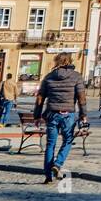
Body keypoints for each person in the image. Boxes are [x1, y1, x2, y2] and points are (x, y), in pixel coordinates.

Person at [34, 53, 88, 184]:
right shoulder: (76, 76)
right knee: (68, 140)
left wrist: (37, 116)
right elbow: (81, 97)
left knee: (50, 144)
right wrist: (83, 114)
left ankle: (48, 176)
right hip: (68, 114)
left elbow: (40, 98)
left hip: (52, 113)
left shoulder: (49, 77)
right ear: (69, 61)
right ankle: (58, 164)